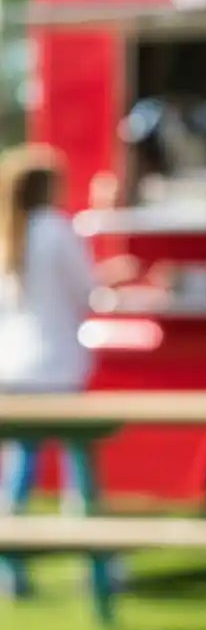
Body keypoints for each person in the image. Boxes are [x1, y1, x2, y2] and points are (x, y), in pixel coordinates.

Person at [0, 145, 136, 597]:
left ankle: (11, 572)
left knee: (20, 472)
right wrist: (114, 275)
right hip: (56, 369)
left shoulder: (9, 233)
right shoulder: (56, 229)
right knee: (82, 470)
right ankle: (96, 571)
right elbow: (87, 292)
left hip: (13, 370)